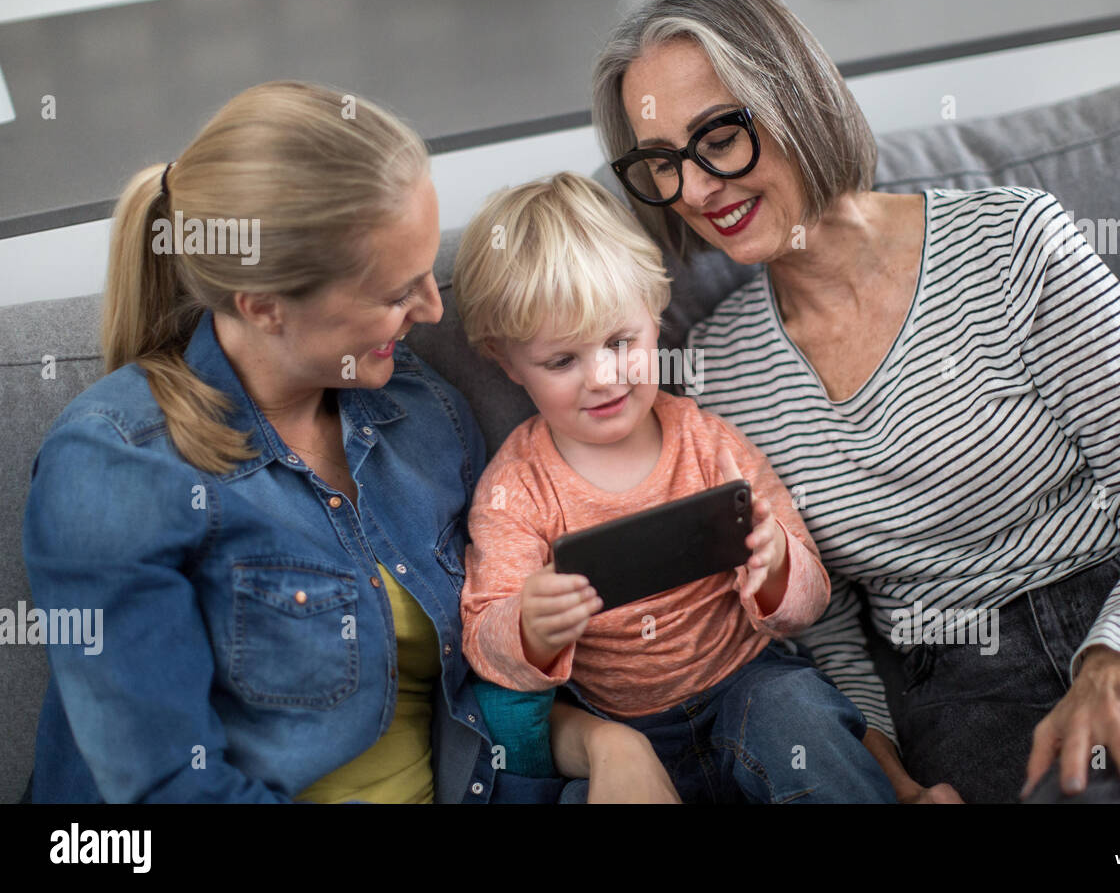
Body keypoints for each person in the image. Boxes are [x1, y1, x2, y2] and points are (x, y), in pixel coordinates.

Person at [588, 0, 1120, 803]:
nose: (699, 189)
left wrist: (1117, 659)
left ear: (795, 99)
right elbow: (831, 621)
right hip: (957, 692)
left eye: (719, 136)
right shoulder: (722, 373)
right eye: (663, 164)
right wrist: (877, 762)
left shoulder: (1015, 245)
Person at [22, 80, 674, 803]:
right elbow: (163, 791)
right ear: (264, 307)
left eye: (429, 273)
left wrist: (608, 743)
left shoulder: (418, 410)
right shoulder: (116, 461)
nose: (432, 310)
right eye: (397, 293)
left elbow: (486, 683)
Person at [452, 172, 896, 803]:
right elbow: (485, 644)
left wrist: (777, 568)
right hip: (620, 730)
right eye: (562, 361)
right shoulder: (516, 489)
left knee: (800, 711)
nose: (602, 378)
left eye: (619, 342)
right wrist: (528, 627)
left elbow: (810, 602)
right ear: (506, 361)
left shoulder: (711, 443)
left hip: (749, 688)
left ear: (654, 316)